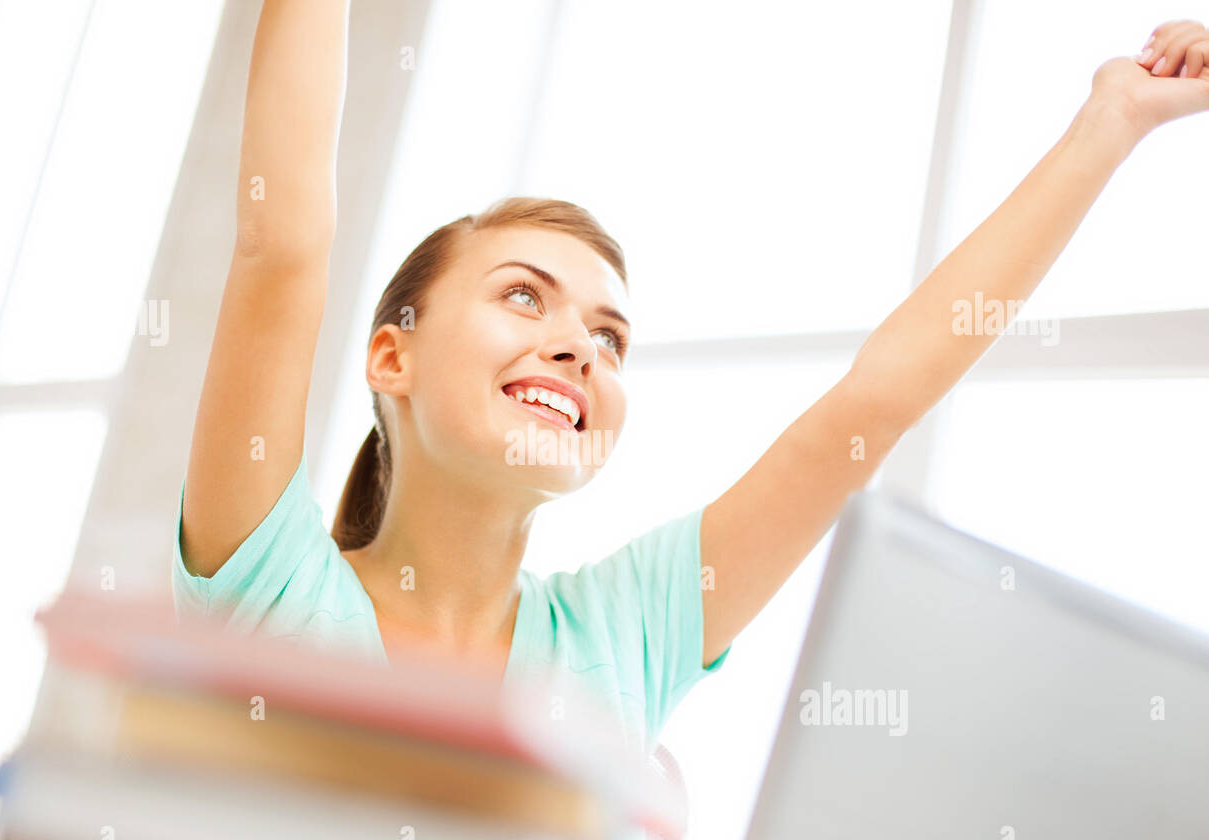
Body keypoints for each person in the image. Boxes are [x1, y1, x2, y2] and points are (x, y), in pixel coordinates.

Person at [173, 0, 1209, 762]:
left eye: (610, 336)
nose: (582, 348)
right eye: (525, 298)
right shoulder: (266, 586)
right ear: (390, 357)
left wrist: (1109, 122)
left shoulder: (626, 633)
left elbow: (872, 403)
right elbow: (285, 243)